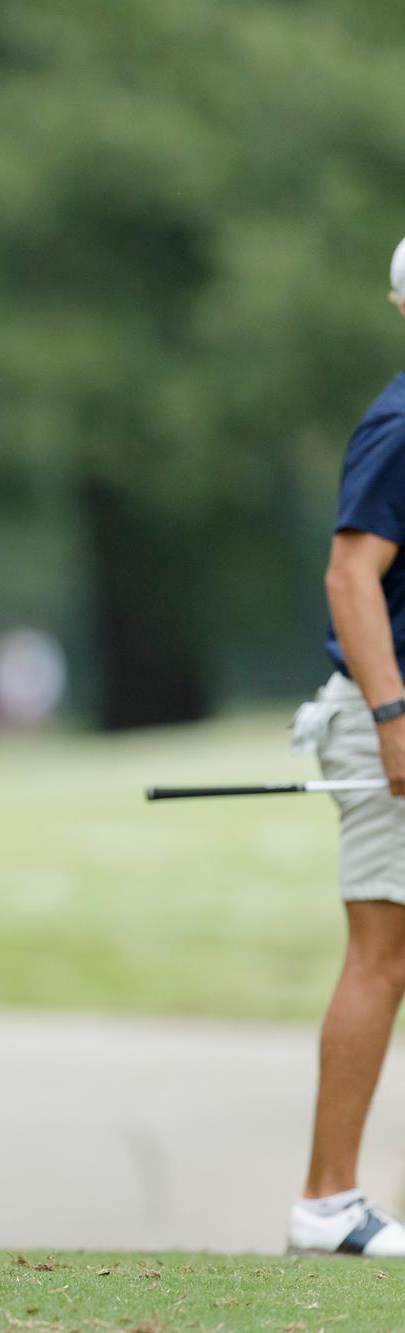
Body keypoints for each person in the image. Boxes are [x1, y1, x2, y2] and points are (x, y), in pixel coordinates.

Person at [288, 237, 405, 1257]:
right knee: (380, 951)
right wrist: (390, 717)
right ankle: (324, 1205)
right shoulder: (402, 423)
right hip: (387, 720)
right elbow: (347, 576)